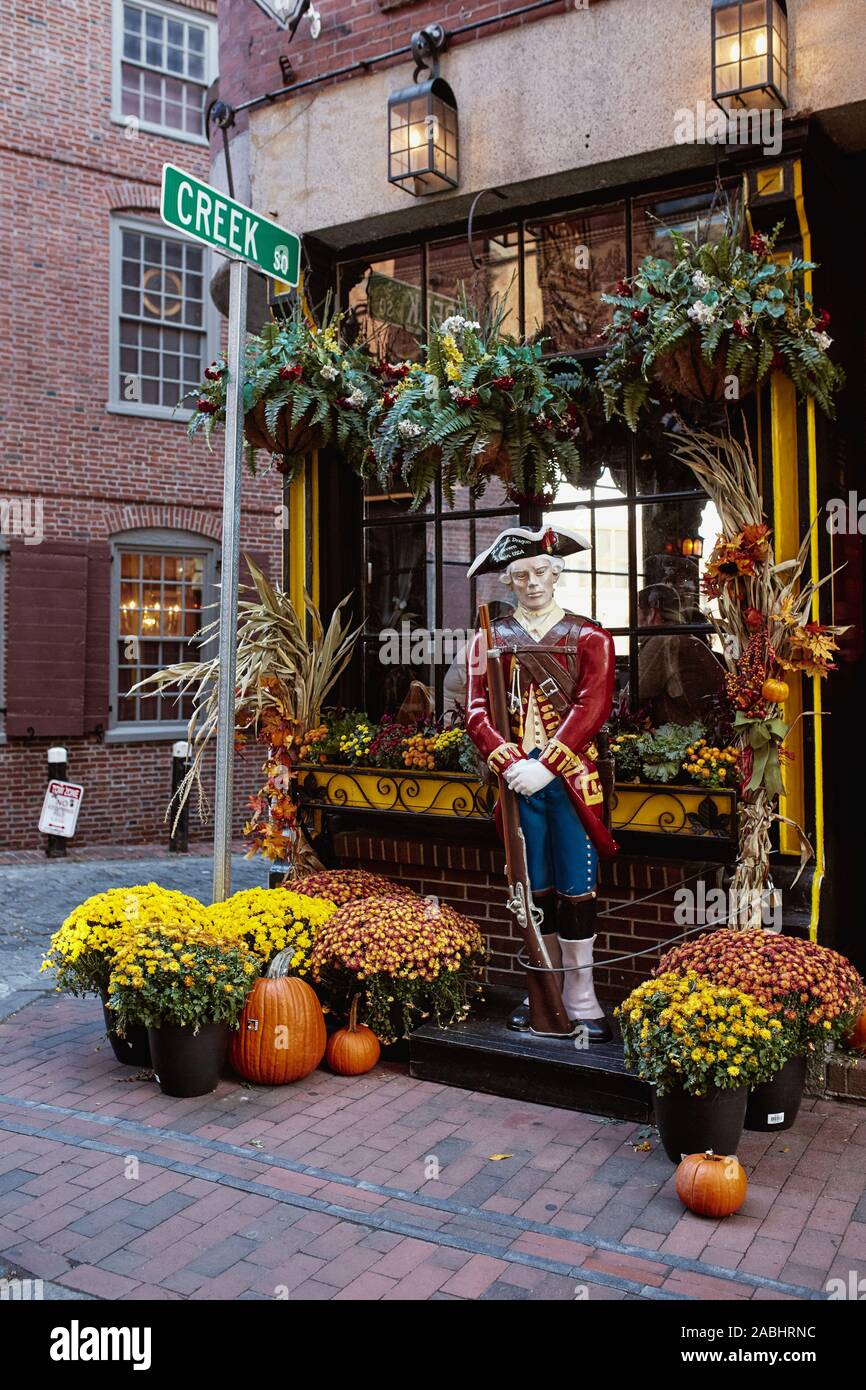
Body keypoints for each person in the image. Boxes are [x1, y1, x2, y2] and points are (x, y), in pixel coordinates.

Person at [465, 524, 618, 1040]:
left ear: (557, 574)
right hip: (517, 784)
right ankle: (545, 993)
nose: (532, 583)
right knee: (534, 888)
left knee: (577, 886)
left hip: (570, 780)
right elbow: (477, 709)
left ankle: (581, 995)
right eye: (521, 575)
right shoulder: (489, 638)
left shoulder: (590, 637)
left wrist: (547, 763)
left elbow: (592, 705)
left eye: (541, 573)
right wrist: (508, 761)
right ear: (510, 581)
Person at [636, 583, 724, 726]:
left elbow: (634, 696)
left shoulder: (662, 641)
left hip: (691, 736)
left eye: (636, 612)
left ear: (652, 613)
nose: (633, 620)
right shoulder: (684, 637)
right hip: (709, 730)